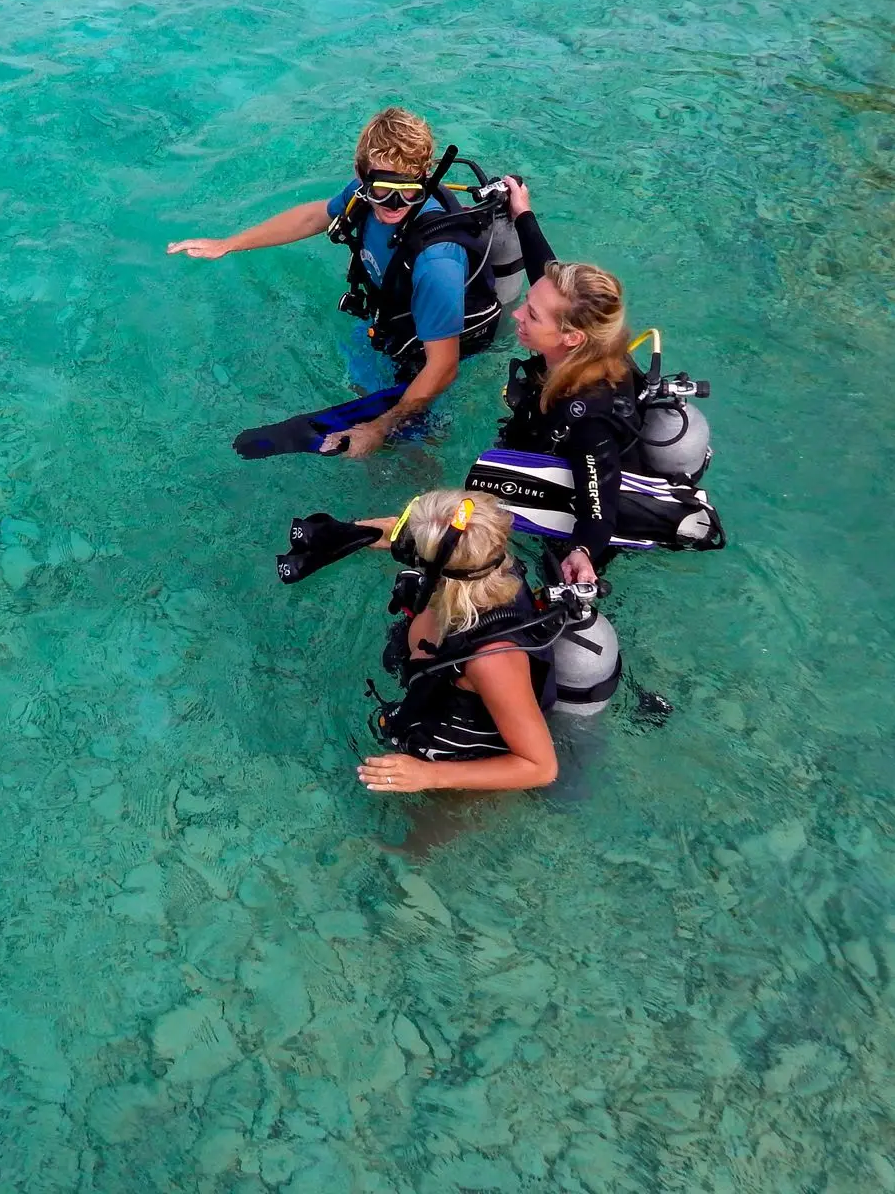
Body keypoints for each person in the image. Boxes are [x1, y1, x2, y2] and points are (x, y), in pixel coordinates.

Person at [168, 108, 504, 458]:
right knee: (362, 396)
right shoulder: (360, 194)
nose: (394, 204)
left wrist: (380, 427)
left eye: (408, 192)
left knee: (409, 447)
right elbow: (314, 216)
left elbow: (443, 366)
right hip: (394, 321)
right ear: (361, 176)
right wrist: (229, 244)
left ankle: (421, 488)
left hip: (440, 349)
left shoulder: (438, 263)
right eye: (383, 189)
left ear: (425, 178)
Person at [346, 491, 562, 796]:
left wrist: (429, 776)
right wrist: (365, 534)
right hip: (424, 715)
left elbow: (541, 767)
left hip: (455, 768)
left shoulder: (493, 660)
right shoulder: (485, 561)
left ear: (436, 571)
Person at [490, 178, 642, 586]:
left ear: (571, 337)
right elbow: (545, 264)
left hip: (571, 513)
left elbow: (599, 505)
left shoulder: (589, 421)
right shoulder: (586, 336)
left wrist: (582, 552)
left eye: (532, 315)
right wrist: (521, 210)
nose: (519, 316)